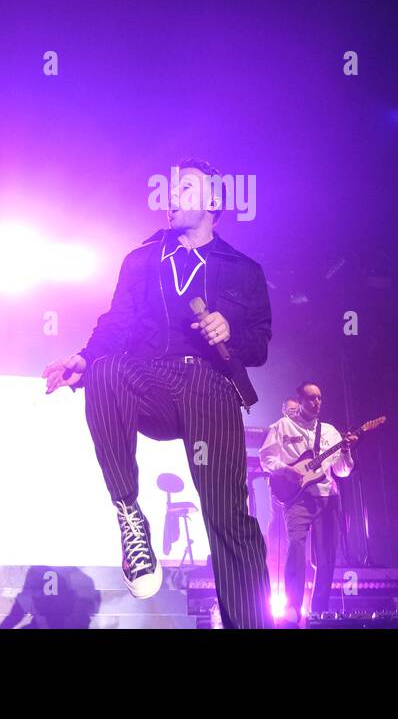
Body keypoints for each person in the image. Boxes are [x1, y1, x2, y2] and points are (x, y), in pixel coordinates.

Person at [42, 159, 272, 628]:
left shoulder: (243, 269)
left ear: (213, 201)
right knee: (104, 372)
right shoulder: (141, 260)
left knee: (229, 520)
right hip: (152, 383)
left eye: (185, 187)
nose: (172, 196)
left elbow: (259, 345)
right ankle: (130, 515)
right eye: (170, 188)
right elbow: (115, 324)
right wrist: (84, 359)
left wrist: (232, 329)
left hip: (210, 388)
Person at [259, 382, 355, 624]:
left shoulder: (331, 432)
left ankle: (319, 611)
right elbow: (266, 458)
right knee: (296, 549)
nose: (317, 402)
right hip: (298, 498)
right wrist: (287, 471)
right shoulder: (282, 427)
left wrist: (345, 452)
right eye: (311, 398)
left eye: (320, 398)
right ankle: (292, 608)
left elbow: (342, 472)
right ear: (299, 400)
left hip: (327, 498)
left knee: (326, 558)